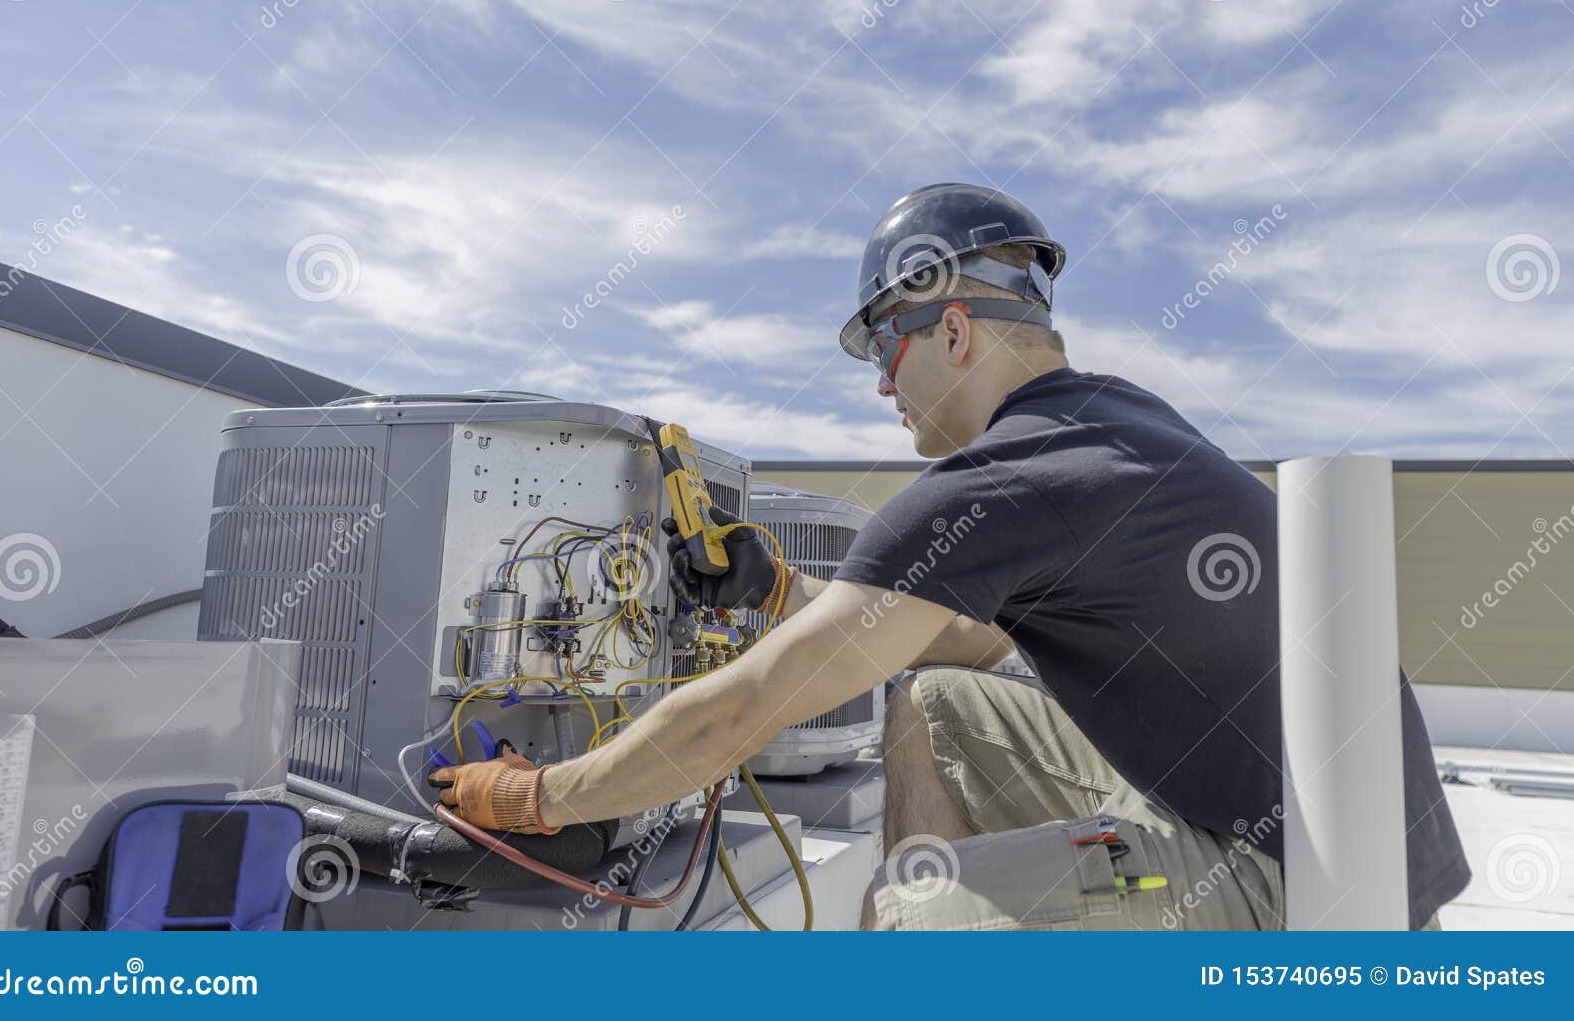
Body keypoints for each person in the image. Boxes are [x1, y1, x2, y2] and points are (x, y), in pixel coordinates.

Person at [432, 183, 1470, 930]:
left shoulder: (997, 484)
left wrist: (537, 798)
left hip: (1307, 897)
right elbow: (964, 647)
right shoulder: (1110, 425)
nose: (883, 384)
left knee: (911, 903)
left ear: (955, 330)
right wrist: (779, 589)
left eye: (886, 346)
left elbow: (737, 715)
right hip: (1362, 848)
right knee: (931, 702)